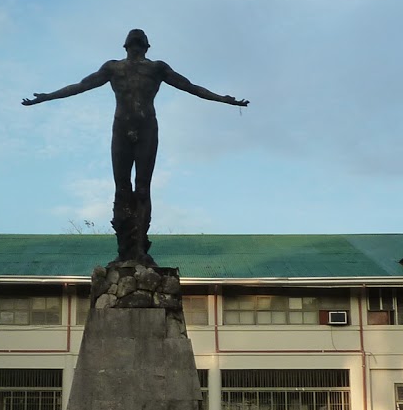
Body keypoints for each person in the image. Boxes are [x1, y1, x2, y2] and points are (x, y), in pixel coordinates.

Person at [23, 29, 248, 263]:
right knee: (122, 189)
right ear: (128, 46)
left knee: (142, 189)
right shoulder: (113, 68)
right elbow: (81, 85)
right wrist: (47, 96)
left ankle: (139, 247)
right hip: (122, 128)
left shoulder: (157, 68)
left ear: (145, 47)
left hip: (146, 129)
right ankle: (125, 248)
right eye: (134, 43)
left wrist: (222, 99)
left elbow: (189, 86)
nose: (136, 47)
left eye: (139, 44)